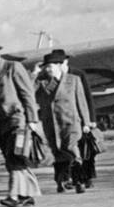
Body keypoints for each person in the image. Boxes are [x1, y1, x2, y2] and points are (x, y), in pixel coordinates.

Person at [0, 38, 44, 207]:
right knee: (12, 158)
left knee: (15, 156)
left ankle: (13, 195)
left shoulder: (13, 67)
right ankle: (27, 194)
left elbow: (27, 93)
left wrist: (32, 119)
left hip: (17, 120)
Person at [36, 50, 92, 194]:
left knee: (72, 149)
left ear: (59, 65)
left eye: (51, 66)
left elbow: (82, 101)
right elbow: (28, 91)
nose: (48, 69)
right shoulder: (41, 82)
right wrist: (34, 74)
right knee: (57, 152)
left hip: (71, 122)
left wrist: (86, 122)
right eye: (46, 67)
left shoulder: (73, 80)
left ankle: (79, 181)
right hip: (51, 124)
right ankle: (61, 181)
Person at [57, 50, 101, 189]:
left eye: (61, 61)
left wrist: (90, 120)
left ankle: (86, 177)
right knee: (64, 150)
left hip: (80, 118)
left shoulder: (77, 74)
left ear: (66, 61)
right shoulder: (53, 77)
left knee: (86, 150)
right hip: (62, 120)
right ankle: (65, 179)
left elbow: (86, 97)